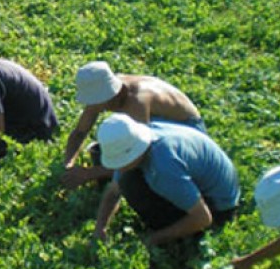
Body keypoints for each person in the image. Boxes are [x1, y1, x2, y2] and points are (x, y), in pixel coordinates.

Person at [92, 114, 239, 269]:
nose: (119, 168)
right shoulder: (145, 135)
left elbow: (203, 218)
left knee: (133, 187)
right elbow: (113, 190)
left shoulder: (163, 169)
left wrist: (153, 239)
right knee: (127, 179)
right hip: (211, 188)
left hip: (219, 207)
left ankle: (172, 234)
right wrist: (101, 227)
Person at [63, 61, 204, 189]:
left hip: (188, 129)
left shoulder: (137, 101)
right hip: (157, 124)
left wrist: (90, 173)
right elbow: (80, 132)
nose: (96, 108)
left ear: (111, 95)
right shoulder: (101, 89)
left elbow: (140, 155)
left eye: (99, 103)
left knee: (153, 165)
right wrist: (69, 165)